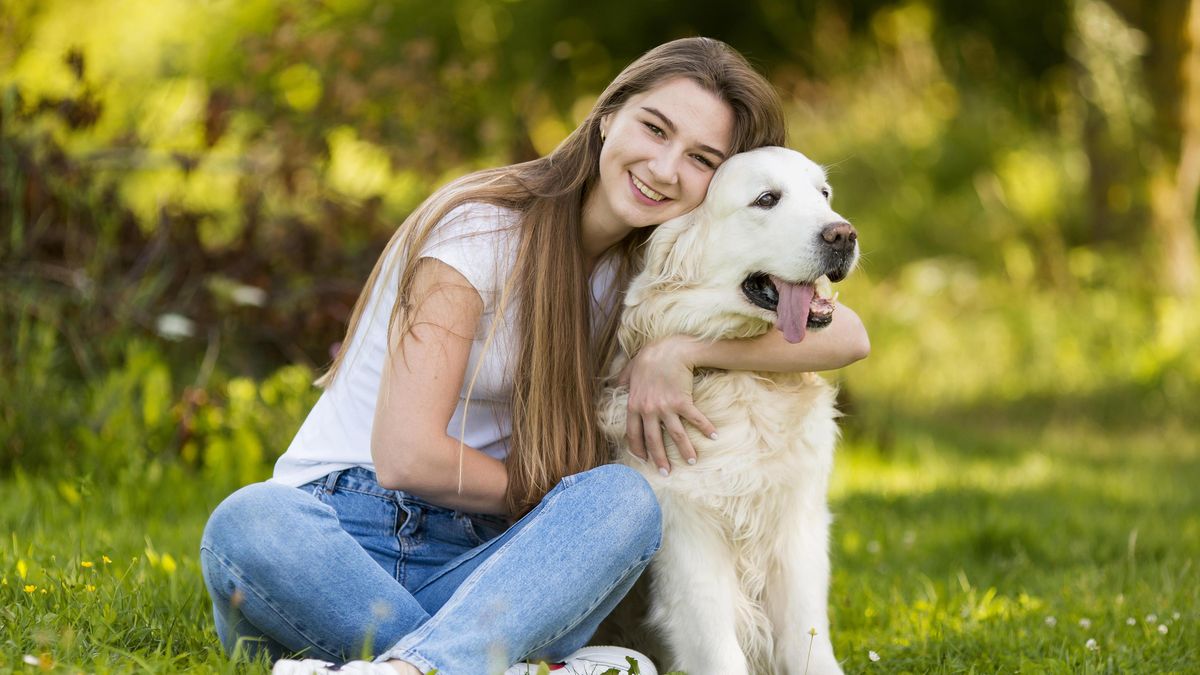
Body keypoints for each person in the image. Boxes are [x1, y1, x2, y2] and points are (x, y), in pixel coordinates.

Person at [199, 37, 869, 675]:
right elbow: (407, 456)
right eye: (655, 129)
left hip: (502, 562)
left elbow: (847, 335)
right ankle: (479, 656)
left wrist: (677, 349)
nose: (665, 168)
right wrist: (553, 500)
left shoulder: (655, 265)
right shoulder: (481, 227)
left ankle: (409, 661)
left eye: (700, 158)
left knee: (624, 501)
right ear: (608, 117)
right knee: (248, 521)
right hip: (343, 542)